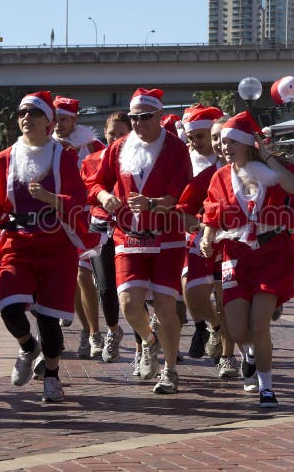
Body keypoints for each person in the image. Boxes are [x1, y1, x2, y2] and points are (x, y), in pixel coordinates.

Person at [0, 91, 100, 402]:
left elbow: (78, 200)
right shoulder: (5, 158)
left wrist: (51, 199)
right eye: (23, 113)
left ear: (49, 122)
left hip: (55, 244)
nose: (26, 118)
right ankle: (26, 346)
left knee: (48, 318)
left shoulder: (64, 157)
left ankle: (51, 376)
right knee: (8, 307)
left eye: (34, 114)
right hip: (17, 242)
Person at [90, 87, 192, 394]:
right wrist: (105, 195)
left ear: (160, 116)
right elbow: (94, 181)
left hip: (166, 239)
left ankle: (170, 370)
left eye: (146, 117)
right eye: (135, 118)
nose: (139, 123)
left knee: (164, 305)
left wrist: (155, 203)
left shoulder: (175, 149)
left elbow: (181, 193)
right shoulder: (119, 146)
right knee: (129, 304)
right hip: (128, 237)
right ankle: (149, 341)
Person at [200, 112, 294, 406]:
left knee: (259, 324)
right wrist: (207, 238)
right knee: (236, 330)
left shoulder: (271, 172)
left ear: (248, 144)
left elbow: (292, 187)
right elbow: (211, 212)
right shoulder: (220, 176)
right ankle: (248, 354)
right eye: (222, 141)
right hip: (235, 255)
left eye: (233, 141)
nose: (225, 146)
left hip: (272, 254)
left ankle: (266, 387)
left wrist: (268, 156)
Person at [177, 104, 237, 377]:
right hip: (204, 241)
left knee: (228, 299)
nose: (217, 144)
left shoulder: (254, 170)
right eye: (213, 139)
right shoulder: (206, 173)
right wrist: (199, 226)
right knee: (193, 294)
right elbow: (184, 206)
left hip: (239, 245)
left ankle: (228, 357)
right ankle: (213, 327)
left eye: (221, 138)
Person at [52, 96, 105, 358]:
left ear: (75, 120)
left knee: (84, 275)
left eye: (64, 119)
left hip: (84, 218)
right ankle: (85, 330)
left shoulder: (93, 146)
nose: (59, 124)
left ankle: (96, 334)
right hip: (54, 219)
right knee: (69, 279)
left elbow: (104, 180)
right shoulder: (46, 145)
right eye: (56, 119)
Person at [82, 111, 132, 363]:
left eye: (122, 134)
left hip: (131, 230)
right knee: (106, 287)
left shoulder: (139, 161)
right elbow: (89, 190)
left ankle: (147, 340)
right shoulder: (92, 160)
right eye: (112, 133)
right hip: (100, 227)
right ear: (104, 133)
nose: (116, 139)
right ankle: (113, 330)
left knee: (134, 289)